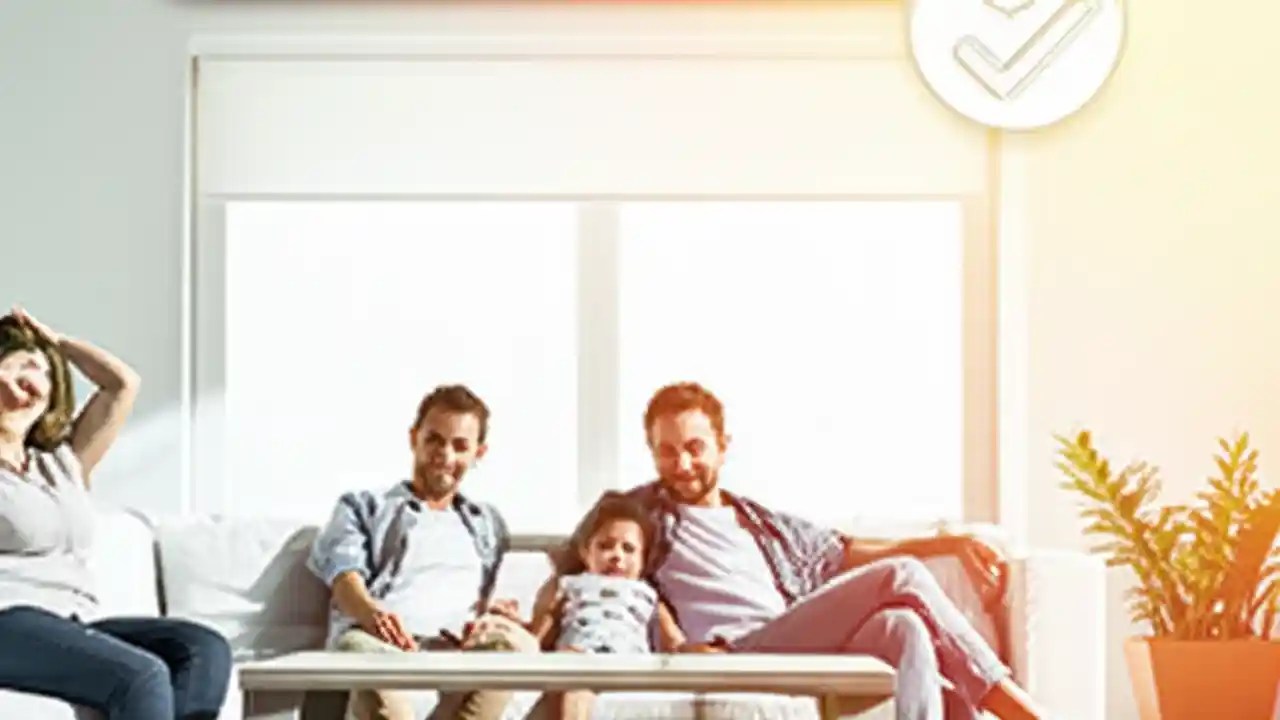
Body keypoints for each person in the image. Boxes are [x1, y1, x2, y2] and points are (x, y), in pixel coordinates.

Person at [559, 381, 1047, 720]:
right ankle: (1019, 710)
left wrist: (948, 542)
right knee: (901, 576)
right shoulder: (637, 514)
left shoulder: (764, 525)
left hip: (791, 639)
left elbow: (847, 552)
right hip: (734, 652)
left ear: (723, 446)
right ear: (652, 451)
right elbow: (582, 561)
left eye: (695, 447)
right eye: (667, 451)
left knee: (903, 626)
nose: (682, 463)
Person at [0, 307, 233, 720]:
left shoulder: (62, 463)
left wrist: (57, 343)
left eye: (33, 370)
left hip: (71, 622)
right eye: (5, 367)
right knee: (140, 675)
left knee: (202, 648)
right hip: (7, 621)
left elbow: (122, 384)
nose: (19, 382)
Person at [306, 383, 537, 720]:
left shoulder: (488, 523)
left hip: (458, 646)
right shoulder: (365, 506)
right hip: (382, 641)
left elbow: (487, 595)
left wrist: (493, 617)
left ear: (478, 454)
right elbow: (343, 573)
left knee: (519, 646)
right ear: (414, 438)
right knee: (358, 650)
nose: (445, 456)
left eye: (460, 446)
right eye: (434, 440)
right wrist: (373, 616)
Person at [521, 492, 687, 720]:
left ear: (643, 560)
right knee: (574, 685)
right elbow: (543, 626)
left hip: (629, 663)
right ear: (585, 552)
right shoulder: (572, 584)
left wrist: (698, 651)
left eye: (628, 549)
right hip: (580, 659)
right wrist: (532, 643)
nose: (617, 556)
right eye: (605, 546)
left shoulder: (647, 595)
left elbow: (674, 641)